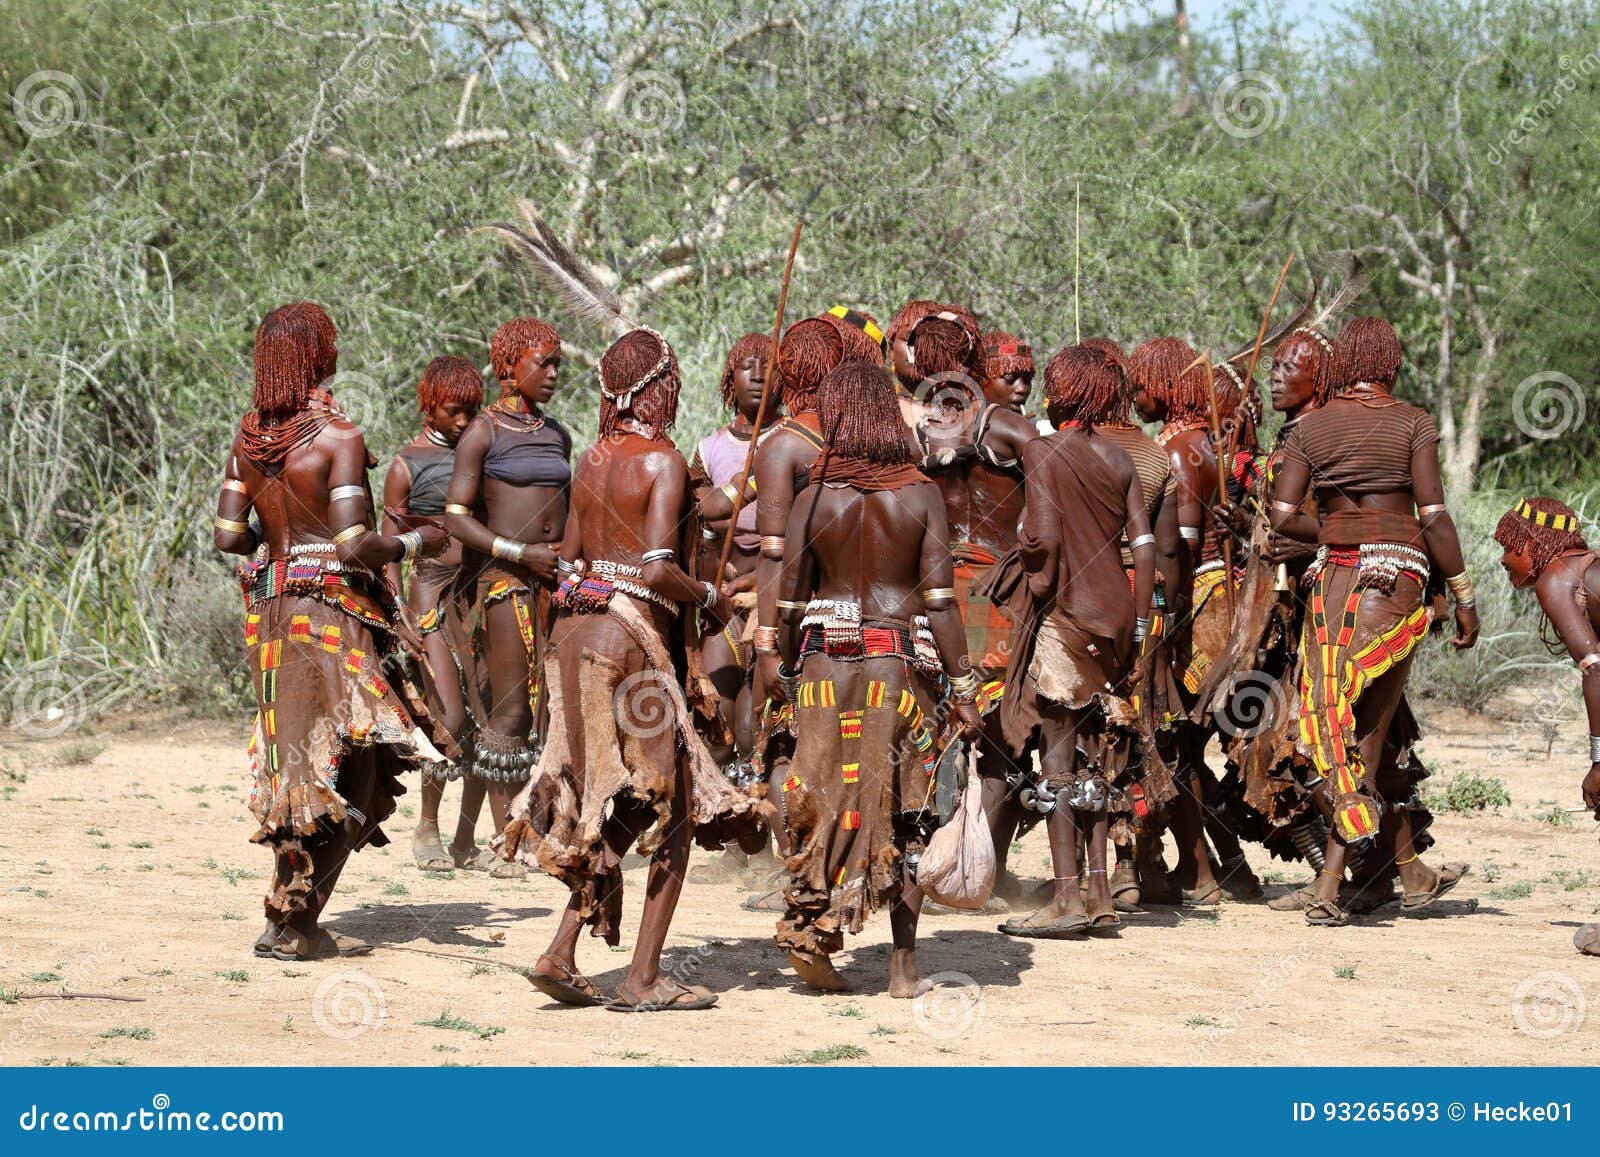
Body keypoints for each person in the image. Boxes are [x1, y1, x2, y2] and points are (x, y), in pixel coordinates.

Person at [498, 326, 765, 1010]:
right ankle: (641, 979)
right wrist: (708, 594)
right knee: (671, 813)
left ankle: (561, 950)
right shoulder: (664, 460)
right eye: (670, 383)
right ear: (656, 388)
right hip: (631, 640)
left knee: (622, 801)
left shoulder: (590, 460)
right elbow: (653, 567)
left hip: (576, 635)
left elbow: (571, 557)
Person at [215, 303, 448, 961]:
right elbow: (353, 544)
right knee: (356, 772)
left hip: (271, 614)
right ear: (315, 357)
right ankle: (291, 921)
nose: (337, 350)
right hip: (331, 616)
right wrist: (417, 538)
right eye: (330, 343)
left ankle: (290, 919)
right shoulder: (338, 438)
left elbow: (229, 534)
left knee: (306, 764)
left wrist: (280, 540)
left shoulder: (249, 437)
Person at [771, 360, 983, 993]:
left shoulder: (813, 496)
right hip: (897, 669)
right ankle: (902, 965)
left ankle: (812, 931)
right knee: (904, 808)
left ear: (836, 416)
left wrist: (784, 670)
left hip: (823, 666)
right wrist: (965, 688)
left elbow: (788, 602)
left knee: (820, 794)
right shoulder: (920, 494)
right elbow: (942, 604)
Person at [1269, 316, 1477, 925]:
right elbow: (1434, 515)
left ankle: (1400, 872)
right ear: (1389, 365)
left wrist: (1336, 530)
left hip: (1332, 578)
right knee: (1367, 728)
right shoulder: (1412, 421)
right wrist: (1462, 593)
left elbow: (1282, 516)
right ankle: (1337, 886)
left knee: (1338, 717)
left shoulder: (1311, 428)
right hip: (1398, 578)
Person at [992, 344, 1156, 936]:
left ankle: (1065, 899)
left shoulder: (1042, 451)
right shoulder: (1117, 458)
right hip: (1116, 617)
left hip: (1066, 614)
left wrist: (1028, 579)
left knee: (1058, 760)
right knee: (1098, 757)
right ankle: (1100, 890)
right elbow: (1143, 546)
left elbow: (1043, 540)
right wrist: (1138, 625)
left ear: (1063, 393)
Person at [745, 307, 885, 910]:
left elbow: (776, 557)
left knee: (784, 745)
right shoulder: (867, 442)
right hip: (869, 619)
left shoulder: (784, 445)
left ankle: (799, 871)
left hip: (802, 618)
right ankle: (832, 867)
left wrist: (769, 638)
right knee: (847, 748)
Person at [1128, 337, 1258, 904]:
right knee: (1189, 744)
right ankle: (1222, 867)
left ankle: (1203, 872)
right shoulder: (1207, 442)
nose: (1134, 398)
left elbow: (1178, 544)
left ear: (1164, 383)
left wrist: (1165, 614)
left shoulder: (1181, 448)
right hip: (1219, 596)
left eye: (1140, 386)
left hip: (1195, 602)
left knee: (1176, 740)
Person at [443, 317, 572, 875]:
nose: (551, 374)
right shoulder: (483, 433)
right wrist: (519, 554)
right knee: (511, 709)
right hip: (504, 584)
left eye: (556, 364)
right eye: (541, 363)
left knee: (553, 707)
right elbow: (455, 519)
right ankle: (504, 841)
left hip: (557, 583)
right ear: (509, 366)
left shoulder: (558, 433)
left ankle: (541, 825)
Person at [1075, 337, 1183, 910]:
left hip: (1085, 602)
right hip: (1146, 605)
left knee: (1086, 730)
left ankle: (1100, 870)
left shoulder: (1064, 450)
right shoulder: (1154, 455)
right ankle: (1137, 862)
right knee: (1139, 729)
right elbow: (1165, 555)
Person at [381, 356, 486, 872]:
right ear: (429, 405)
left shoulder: (487, 455)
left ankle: (467, 837)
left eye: (472, 411)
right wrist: (397, 614)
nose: (464, 421)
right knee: (450, 714)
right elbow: (386, 551)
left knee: (491, 716)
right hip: (430, 596)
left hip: (481, 596)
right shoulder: (407, 464)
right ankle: (427, 826)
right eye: (453, 411)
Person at [1496, 496, 1600, 956]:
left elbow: (1595, 670)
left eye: (1510, 547)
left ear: (1532, 543)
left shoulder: (1559, 578)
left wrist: (1599, 761)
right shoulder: (1584, 570)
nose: (1503, 559)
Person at [979, 331, 1035, 413]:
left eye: (1028, 378)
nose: (1022, 389)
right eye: (1009, 376)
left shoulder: (1031, 425)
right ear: (981, 379)